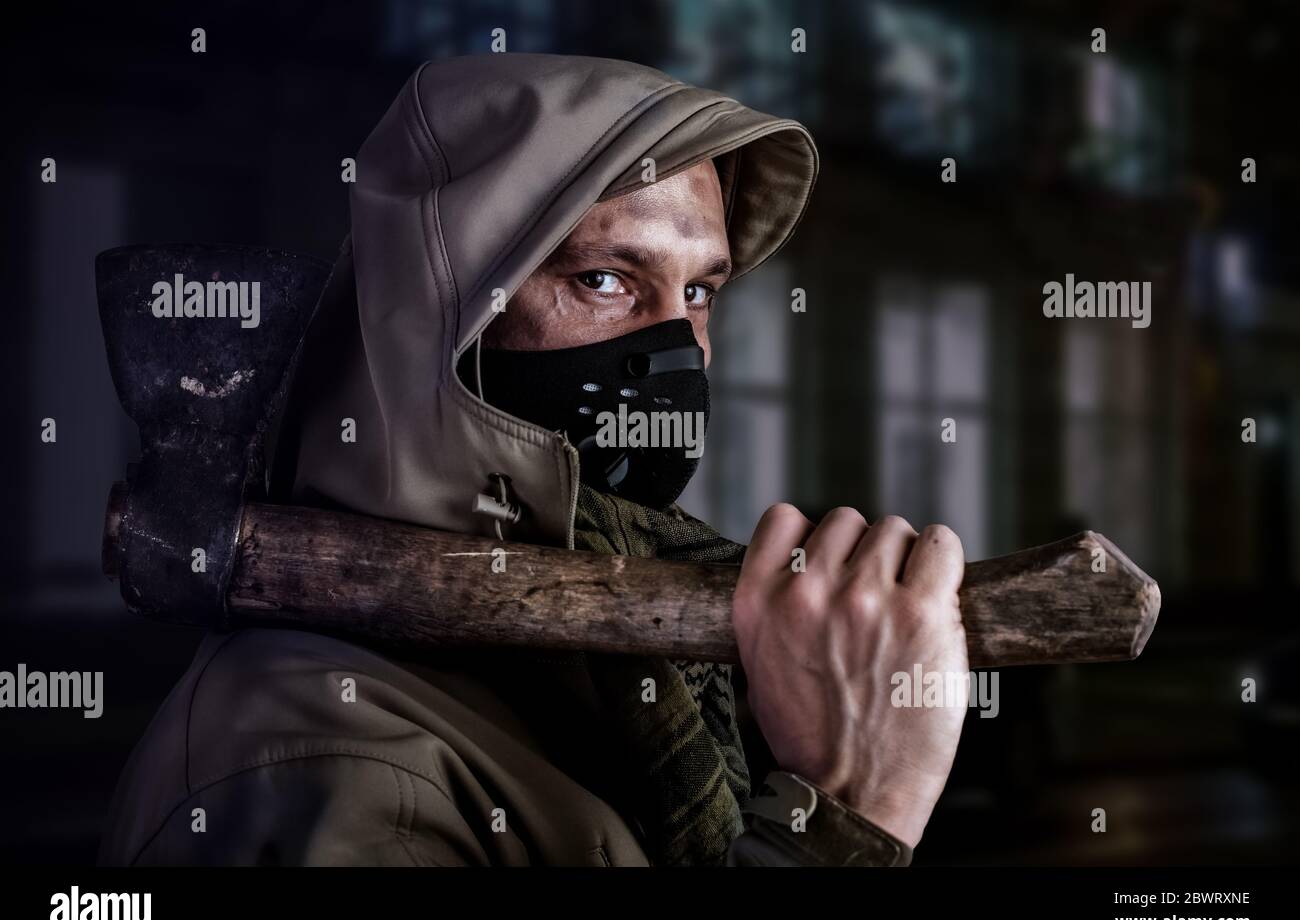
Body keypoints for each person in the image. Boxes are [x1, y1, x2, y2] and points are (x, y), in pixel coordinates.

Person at [100, 53, 968, 867]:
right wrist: (848, 806)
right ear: (449, 316)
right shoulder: (329, 766)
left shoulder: (621, 679)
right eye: (605, 280)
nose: (676, 349)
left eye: (698, 292)